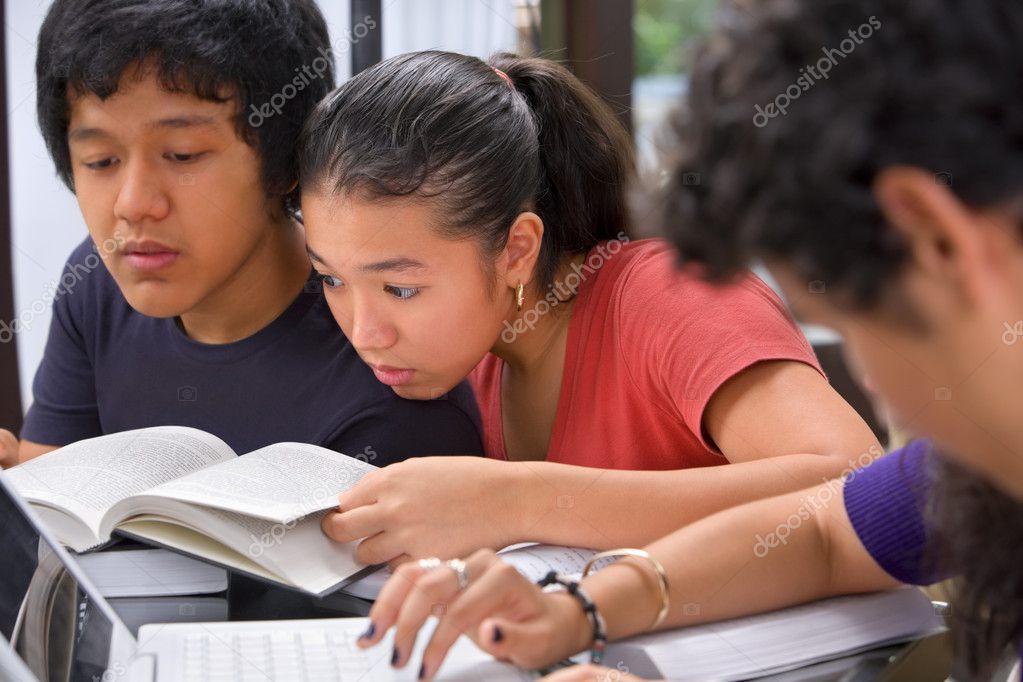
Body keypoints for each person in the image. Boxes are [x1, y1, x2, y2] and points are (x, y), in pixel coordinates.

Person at [353, 1, 1023, 680]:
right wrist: (581, 609)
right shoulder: (978, 470)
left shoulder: (651, 298)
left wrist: (518, 502)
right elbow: (822, 532)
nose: (872, 383)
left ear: (938, 238)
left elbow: (833, 478)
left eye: (849, 322)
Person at [300, 50, 881, 567]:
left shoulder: (669, 295)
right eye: (330, 279)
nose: (365, 332)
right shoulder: (476, 356)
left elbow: (859, 482)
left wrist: (514, 499)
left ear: (517, 250)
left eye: (399, 290)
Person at [0, 0, 482, 471]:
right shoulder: (97, 284)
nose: (132, 205)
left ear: (286, 161)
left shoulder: (391, 367)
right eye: (100, 161)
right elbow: (50, 491)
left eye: (183, 155)